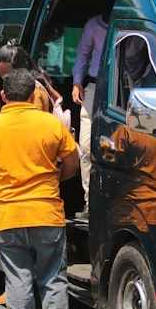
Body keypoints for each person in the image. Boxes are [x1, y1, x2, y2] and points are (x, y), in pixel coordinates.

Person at [0, 69, 81, 309]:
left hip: (7, 214)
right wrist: (56, 178)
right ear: (34, 95)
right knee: (53, 276)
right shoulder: (51, 124)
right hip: (46, 211)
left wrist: (0, 187)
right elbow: (72, 163)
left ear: (3, 95)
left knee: (17, 277)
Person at [71, 14, 108, 219]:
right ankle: (89, 203)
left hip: (124, 88)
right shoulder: (93, 24)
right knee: (86, 148)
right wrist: (77, 82)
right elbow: (82, 55)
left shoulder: (134, 20)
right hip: (93, 86)